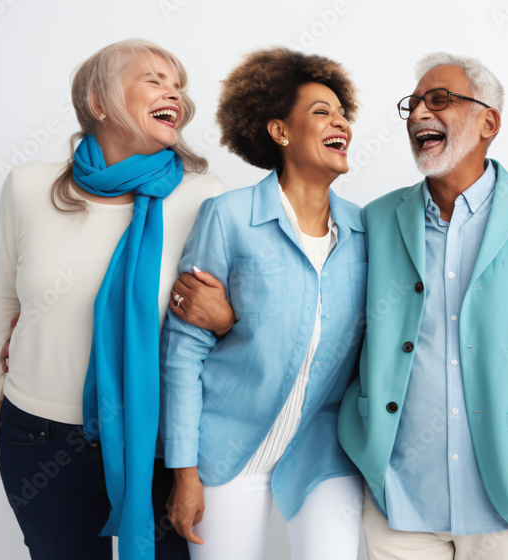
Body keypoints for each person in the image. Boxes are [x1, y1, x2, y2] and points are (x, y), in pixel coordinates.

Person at [336, 52, 508, 560]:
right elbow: (342, 331)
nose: (419, 114)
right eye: (414, 104)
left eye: (440, 100)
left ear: (488, 122)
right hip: (399, 499)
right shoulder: (377, 219)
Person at [0, 38, 220, 560]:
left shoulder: (204, 197)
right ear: (99, 102)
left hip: (159, 440)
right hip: (38, 437)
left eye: (179, 85)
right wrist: (2, 388)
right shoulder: (28, 186)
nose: (174, 93)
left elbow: (230, 325)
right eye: (155, 80)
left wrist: (226, 318)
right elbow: (7, 303)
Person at [159, 48, 366, 560]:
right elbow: (183, 351)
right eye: (321, 111)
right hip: (227, 448)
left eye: (343, 114)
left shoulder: (368, 231)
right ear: (280, 131)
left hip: (322, 447)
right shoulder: (227, 216)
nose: (340, 121)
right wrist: (184, 472)